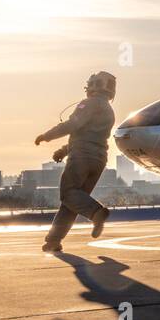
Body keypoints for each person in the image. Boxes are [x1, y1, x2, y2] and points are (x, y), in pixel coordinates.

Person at [35, 71, 117, 252]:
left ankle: (97, 212)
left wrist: (47, 136)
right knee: (73, 201)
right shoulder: (108, 110)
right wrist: (63, 151)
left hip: (81, 156)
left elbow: (72, 125)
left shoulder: (89, 103)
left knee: (68, 193)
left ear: (93, 85)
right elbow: (87, 134)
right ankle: (53, 240)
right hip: (99, 159)